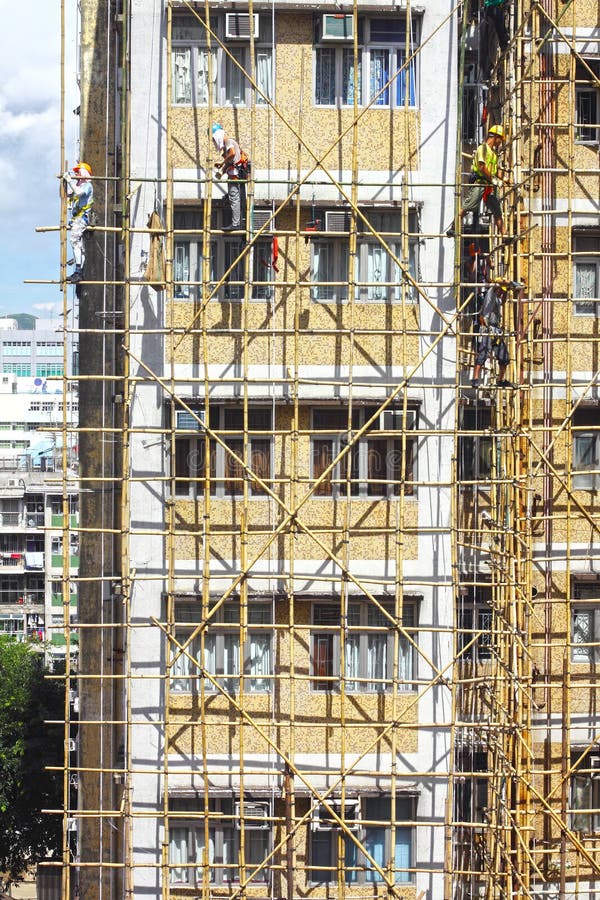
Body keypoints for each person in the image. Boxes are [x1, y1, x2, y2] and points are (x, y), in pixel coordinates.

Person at [446, 125, 509, 239]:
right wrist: (494, 180)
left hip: (489, 186)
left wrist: (504, 179)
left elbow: (496, 171)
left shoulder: (494, 154)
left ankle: (505, 235)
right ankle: (453, 228)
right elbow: (482, 167)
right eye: (501, 139)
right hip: (480, 183)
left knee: (497, 211)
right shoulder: (483, 149)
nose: (501, 143)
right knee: (467, 207)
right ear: (496, 137)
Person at [471, 277, 523, 388]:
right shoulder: (491, 294)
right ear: (498, 290)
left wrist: (509, 290)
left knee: (504, 357)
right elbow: (498, 282)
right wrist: (513, 283)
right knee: (483, 354)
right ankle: (475, 379)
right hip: (486, 328)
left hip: (495, 331)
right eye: (502, 291)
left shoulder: (498, 300)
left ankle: (501, 380)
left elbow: (503, 301)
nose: (502, 294)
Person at [211, 124, 248, 232]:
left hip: (236, 176)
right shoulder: (228, 145)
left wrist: (222, 162)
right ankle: (238, 222)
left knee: (234, 198)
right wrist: (222, 172)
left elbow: (232, 154)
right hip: (235, 174)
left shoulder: (228, 142)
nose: (214, 142)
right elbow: (230, 162)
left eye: (213, 139)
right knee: (236, 198)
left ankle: (236, 223)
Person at [62, 162, 94, 284]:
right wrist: (66, 183)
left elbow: (80, 193)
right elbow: (67, 195)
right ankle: (79, 271)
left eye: (78, 172)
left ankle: (78, 271)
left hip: (81, 218)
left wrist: (70, 181)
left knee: (74, 242)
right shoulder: (79, 186)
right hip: (76, 219)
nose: (76, 174)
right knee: (78, 246)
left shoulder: (87, 185)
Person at [479, 0, 509, 81]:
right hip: (491, 10)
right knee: (499, 23)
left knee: (489, 43)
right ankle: (504, 44)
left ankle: (504, 42)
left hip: (488, 12)